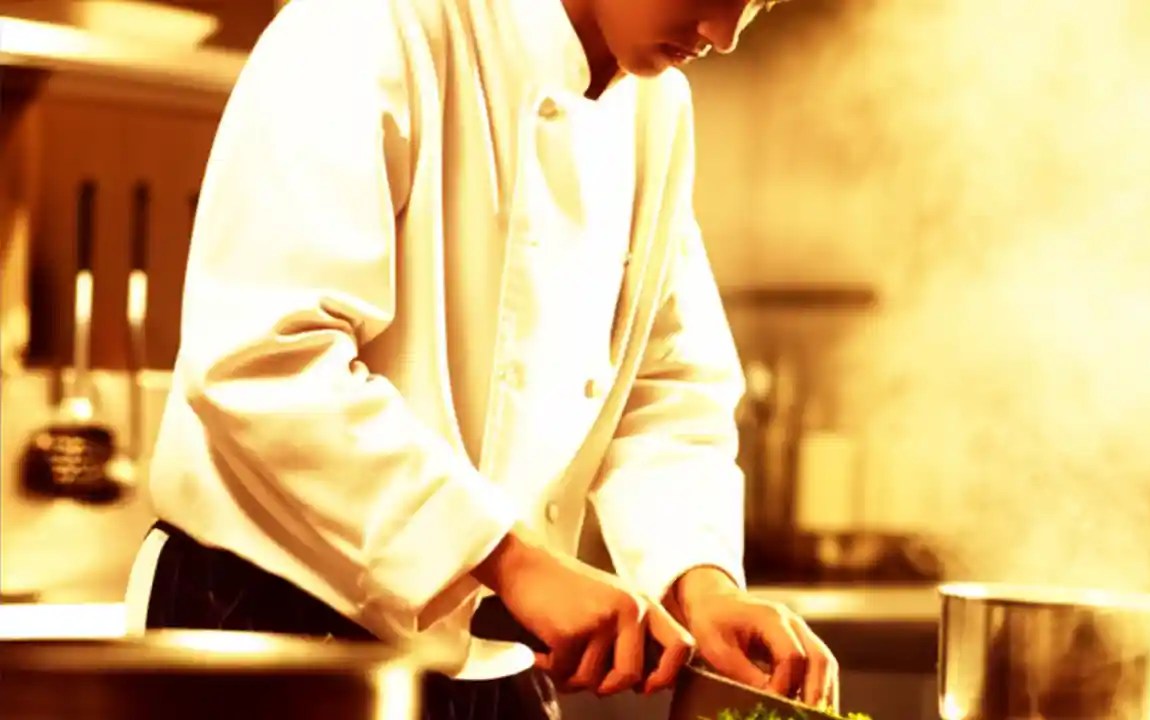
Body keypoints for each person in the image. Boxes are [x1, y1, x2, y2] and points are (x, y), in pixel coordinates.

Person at [123, 0, 839, 717]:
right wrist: (512, 560)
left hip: (485, 648)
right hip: (267, 630)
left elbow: (664, 383)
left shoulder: (657, 108)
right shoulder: (370, 25)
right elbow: (266, 362)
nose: (724, 36)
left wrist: (700, 581)